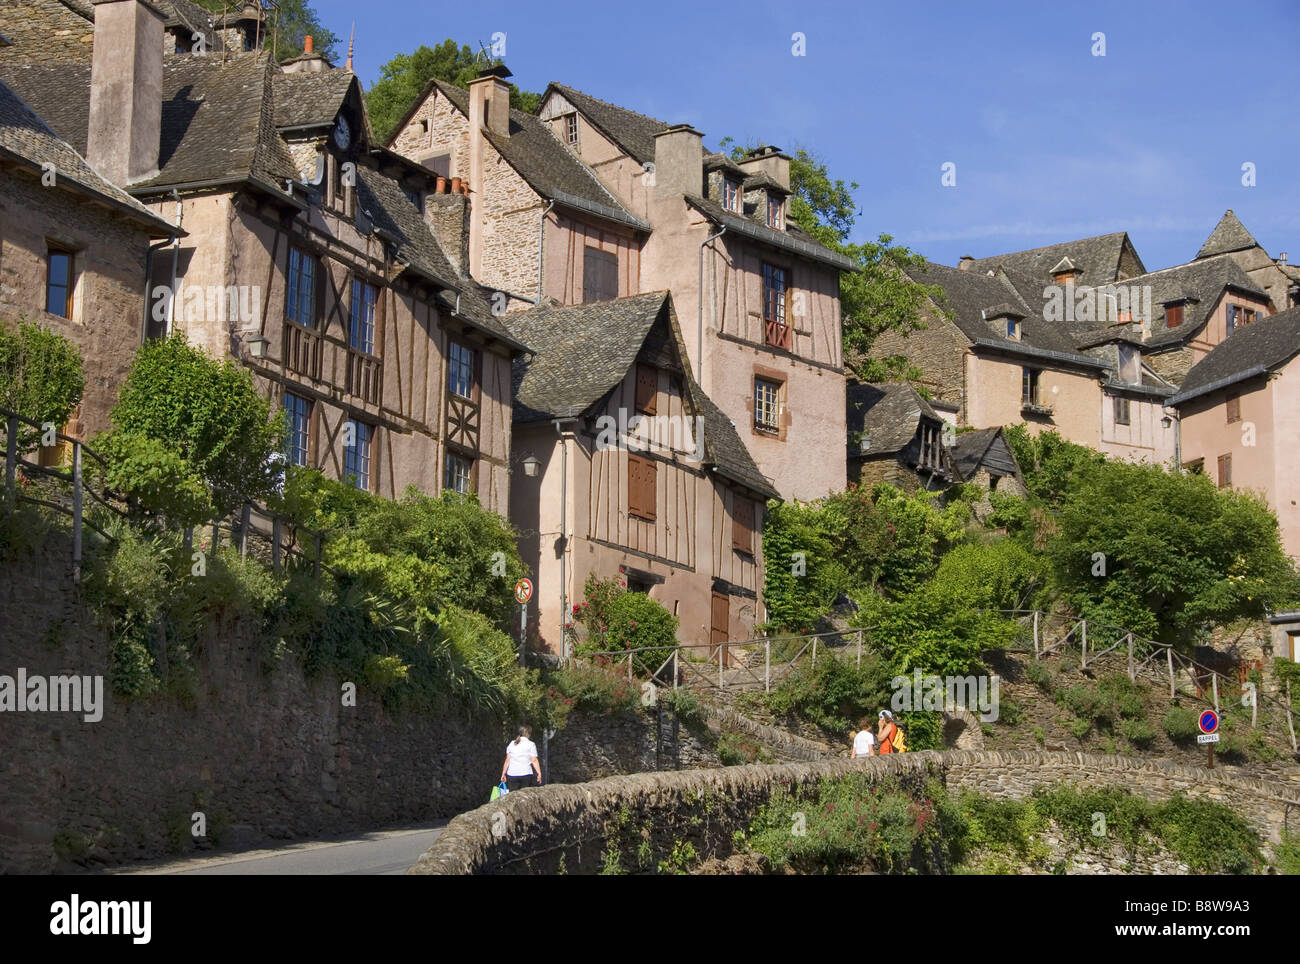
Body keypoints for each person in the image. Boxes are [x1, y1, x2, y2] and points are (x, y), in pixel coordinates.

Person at [501, 726, 542, 791]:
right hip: (526, 774)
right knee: (525, 797)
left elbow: (507, 760)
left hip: (512, 774)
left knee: (513, 797)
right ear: (528, 734)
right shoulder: (531, 744)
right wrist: (539, 773)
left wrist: (503, 773)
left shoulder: (512, 743)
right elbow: (534, 760)